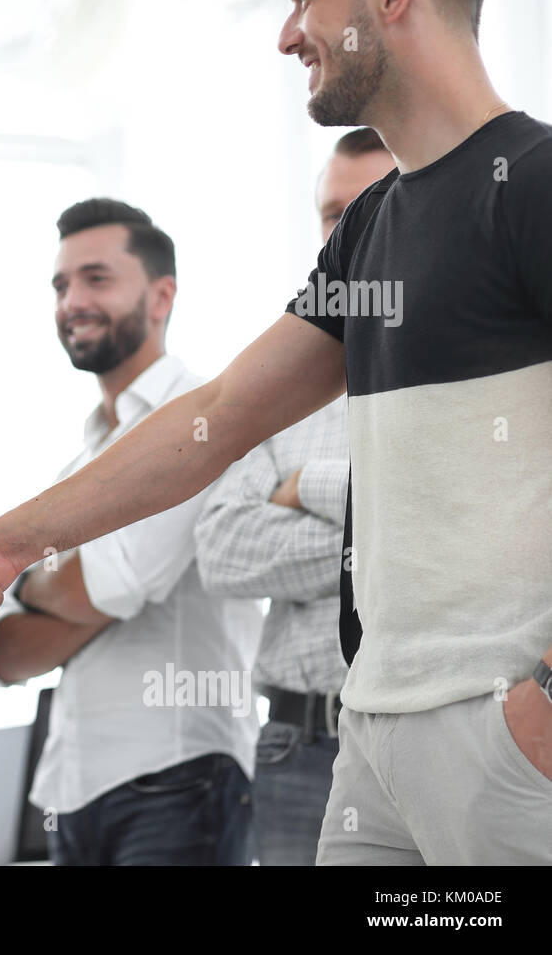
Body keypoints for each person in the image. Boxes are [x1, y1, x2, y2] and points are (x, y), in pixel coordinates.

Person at [0, 0, 552, 864]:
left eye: (304, 2)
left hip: (503, 743)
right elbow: (216, 419)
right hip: (374, 740)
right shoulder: (366, 229)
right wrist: (3, 543)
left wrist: (542, 706)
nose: (286, 34)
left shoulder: (536, 182)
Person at [0, 200, 261, 865]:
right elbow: (4, 654)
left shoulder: (200, 422)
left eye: (96, 279)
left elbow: (113, 584)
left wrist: (23, 574)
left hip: (179, 775)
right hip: (68, 787)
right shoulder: (80, 459)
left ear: (161, 296)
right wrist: (54, 578)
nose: (72, 300)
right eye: (60, 284)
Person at [193, 128, 396, 865]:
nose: (347, 232)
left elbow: (456, 531)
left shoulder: (475, 359)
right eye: (332, 213)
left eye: (370, 207)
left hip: (437, 739)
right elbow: (222, 553)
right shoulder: (283, 385)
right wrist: (376, 533)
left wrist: (305, 488)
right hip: (295, 746)